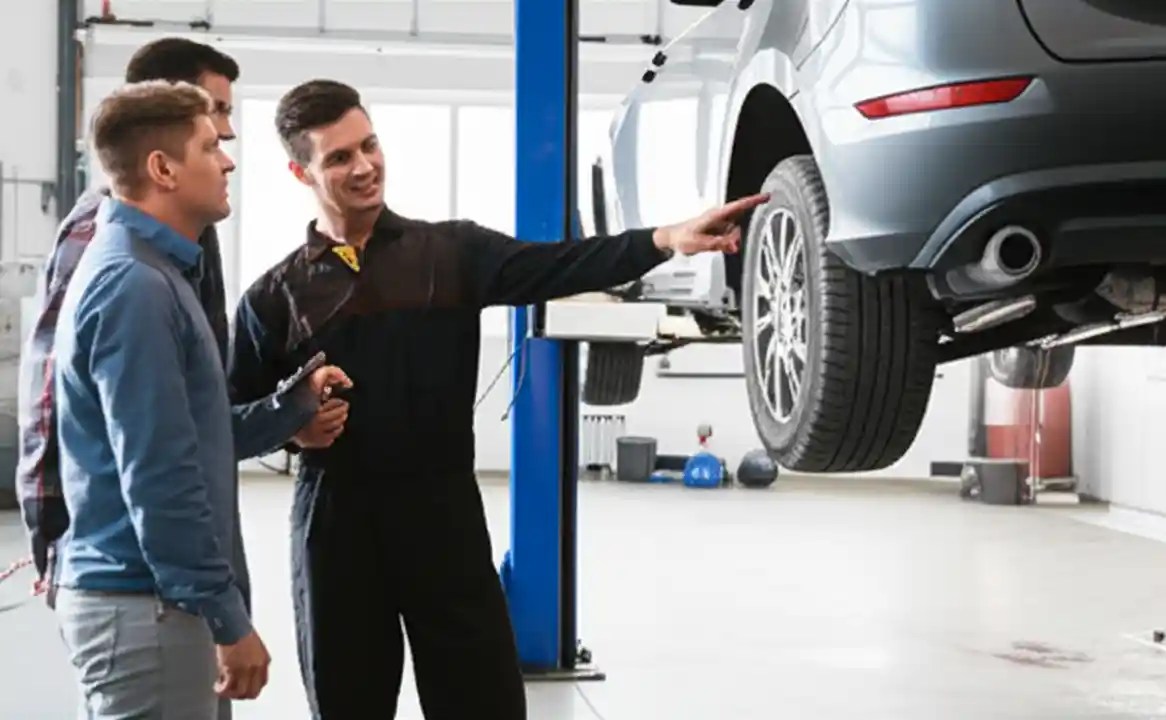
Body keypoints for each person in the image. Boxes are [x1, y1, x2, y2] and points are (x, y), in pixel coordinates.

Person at [226, 78, 768, 719]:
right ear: (301, 171)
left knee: (480, 700)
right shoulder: (274, 297)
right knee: (347, 700)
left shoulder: (450, 252)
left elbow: (565, 262)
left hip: (442, 515)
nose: (365, 165)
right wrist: (294, 427)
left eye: (369, 144)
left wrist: (666, 239)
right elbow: (231, 421)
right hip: (336, 521)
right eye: (339, 157)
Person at [16, 37, 351, 604]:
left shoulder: (186, 241)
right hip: (132, 578)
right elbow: (54, 404)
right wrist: (55, 541)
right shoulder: (112, 254)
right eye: (216, 112)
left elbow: (193, 415)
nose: (228, 136)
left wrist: (285, 412)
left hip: (171, 569)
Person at [53, 80, 350, 718]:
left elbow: (191, 432)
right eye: (209, 145)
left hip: (154, 602)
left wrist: (289, 409)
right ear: (162, 168)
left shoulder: (155, 271)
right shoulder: (135, 286)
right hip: (146, 606)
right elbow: (160, 476)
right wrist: (226, 617)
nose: (228, 159)